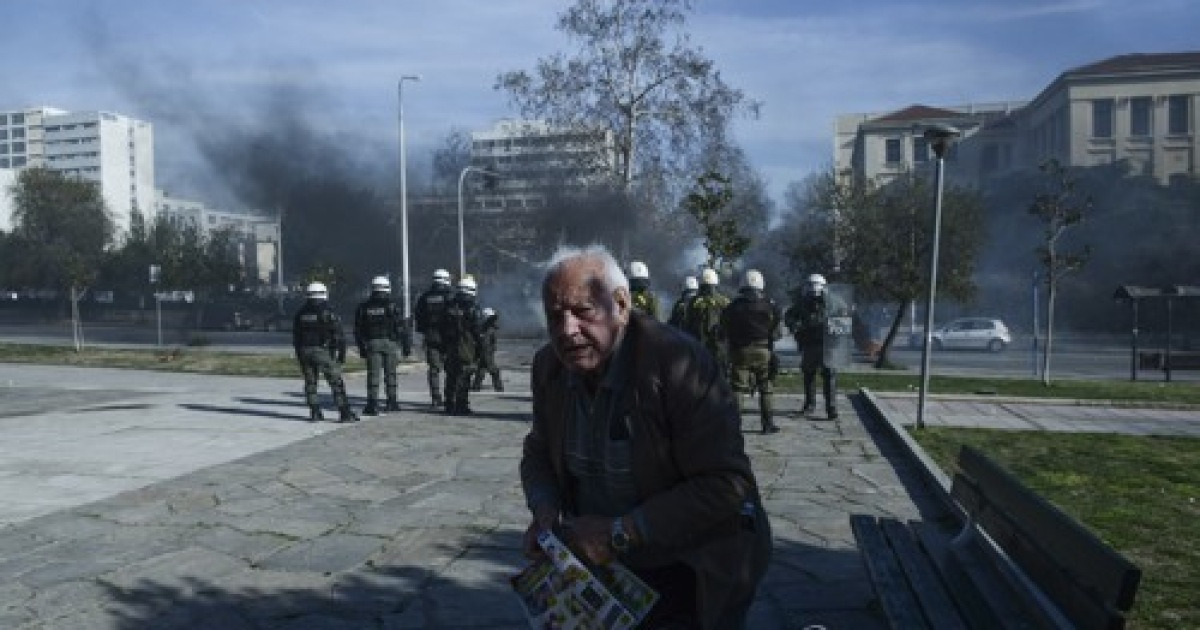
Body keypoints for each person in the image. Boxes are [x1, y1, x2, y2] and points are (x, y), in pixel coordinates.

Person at [520, 245, 771, 629]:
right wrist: (545, 511)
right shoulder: (549, 367)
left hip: (690, 562)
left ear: (620, 305)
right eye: (556, 317)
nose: (568, 330)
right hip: (610, 570)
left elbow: (726, 483)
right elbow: (538, 452)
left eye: (583, 311)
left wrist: (620, 532)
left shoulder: (679, 365)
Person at [722, 269, 783, 434]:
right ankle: (768, 424)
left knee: (737, 388)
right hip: (764, 351)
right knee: (766, 387)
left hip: (740, 352)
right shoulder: (770, 306)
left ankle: (735, 425)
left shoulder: (733, 306)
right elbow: (777, 334)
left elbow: (724, 328)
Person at [292, 282, 357, 423]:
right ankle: (345, 413)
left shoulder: (300, 313)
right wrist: (341, 355)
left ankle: (315, 412)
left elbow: (296, 336)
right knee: (336, 382)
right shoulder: (328, 311)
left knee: (310, 382)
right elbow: (339, 335)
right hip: (321, 351)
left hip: (304, 350)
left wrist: (299, 354)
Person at [785, 273, 844, 419]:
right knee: (812, 374)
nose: (814, 295)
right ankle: (818, 406)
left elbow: (845, 318)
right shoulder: (804, 302)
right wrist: (795, 326)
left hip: (826, 344)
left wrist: (836, 330)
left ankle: (828, 408)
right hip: (812, 343)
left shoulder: (834, 302)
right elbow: (789, 316)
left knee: (825, 375)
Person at [353, 275, 404, 416]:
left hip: (372, 343)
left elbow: (358, 330)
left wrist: (361, 347)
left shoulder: (363, 307)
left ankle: (372, 404)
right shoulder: (392, 305)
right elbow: (400, 327)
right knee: (391, 374)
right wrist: (403, 345)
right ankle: (391, 402)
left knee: (373, 375)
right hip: (390, 342)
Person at [441, 275, 483, 415]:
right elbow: (477, 330)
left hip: (451, 344)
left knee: (451, 375)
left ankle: (448, 403)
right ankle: (461, 405)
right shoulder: (473, 307)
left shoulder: (449, 305)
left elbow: (442, 326)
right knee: (464, 375)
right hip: (467, 345)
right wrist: (480, 348)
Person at [414, 268, 454, 408]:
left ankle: (436, 398)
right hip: (449, 338)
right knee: (451, 368)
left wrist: (425, 332)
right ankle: (450, 397)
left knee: (434, 369)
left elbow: (419, 319)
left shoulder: (424, 297)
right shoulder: (451, 296)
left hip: (431, 337)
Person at [684, 268, 730, 375]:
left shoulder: (693, 302)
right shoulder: (724, 301)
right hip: (719, 347)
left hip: (698, 347)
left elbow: (687, 325)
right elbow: (731, 324)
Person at [471, 306, 503, 392]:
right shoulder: (486, 327)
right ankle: (477, 386)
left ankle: (498, 387)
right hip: (484, 350)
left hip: (487, 350)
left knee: (491, 369)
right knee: (482, 369)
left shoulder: (489, 328)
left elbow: (490, 341)